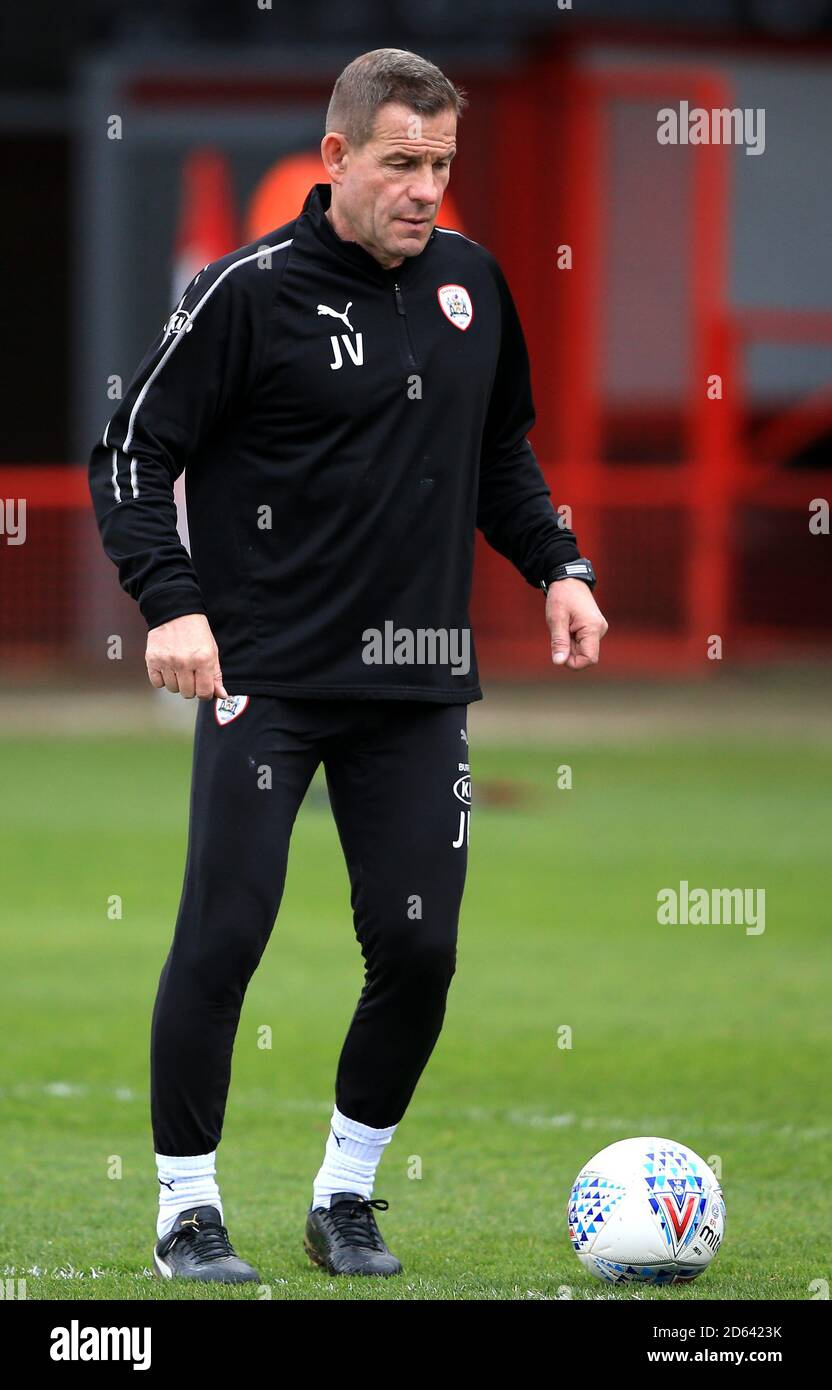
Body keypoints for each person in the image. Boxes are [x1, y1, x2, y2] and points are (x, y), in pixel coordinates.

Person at [88, 46, 608, 1284]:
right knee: (225, 936)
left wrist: (561, 566)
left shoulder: (473, 286)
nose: (426, 189)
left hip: (418, 680)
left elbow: (502, 456)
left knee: (420, 950)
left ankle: (346, 1196)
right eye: (401, 164)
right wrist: (172, 604)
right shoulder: (245, 293)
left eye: (440, 164)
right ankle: (185, 1209)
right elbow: (130, 454)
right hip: (263, 677)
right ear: (336, 160)